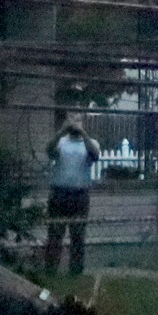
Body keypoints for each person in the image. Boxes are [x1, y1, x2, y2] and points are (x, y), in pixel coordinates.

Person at [43, 117, 98, 276]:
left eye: (78, 120)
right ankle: (51, 270)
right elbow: (49, 151)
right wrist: (60, 133)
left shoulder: (90, 143)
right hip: (59, 193)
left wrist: (84, 134)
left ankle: (76, 271)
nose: (74, 124)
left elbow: (94, 155)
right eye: (71, 121)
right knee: (55, 233)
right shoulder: (61, 142)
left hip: (80, 194)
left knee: (78, 235)